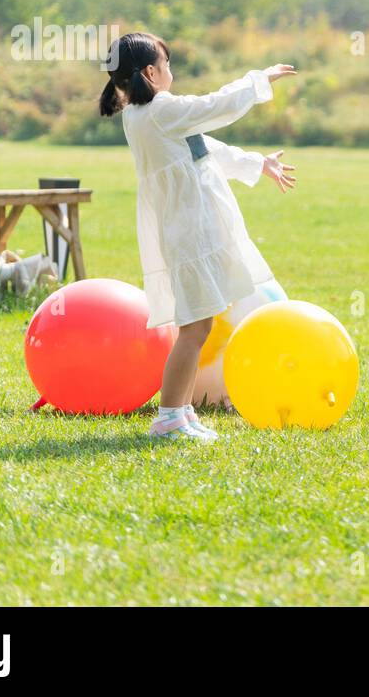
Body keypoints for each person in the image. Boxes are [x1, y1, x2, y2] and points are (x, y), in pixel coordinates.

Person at [98, 31, 297, 440]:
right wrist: (258, 80)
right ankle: (170, 416)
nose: (171, 72)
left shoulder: (146, 115)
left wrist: (255, 163)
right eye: (167, 65)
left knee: (198, 326)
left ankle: (182, 411)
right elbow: (215, 107)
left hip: (193, 232)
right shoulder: (160, 111)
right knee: (194, 329)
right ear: (151, 72)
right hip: (190, 235)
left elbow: (203, 147)